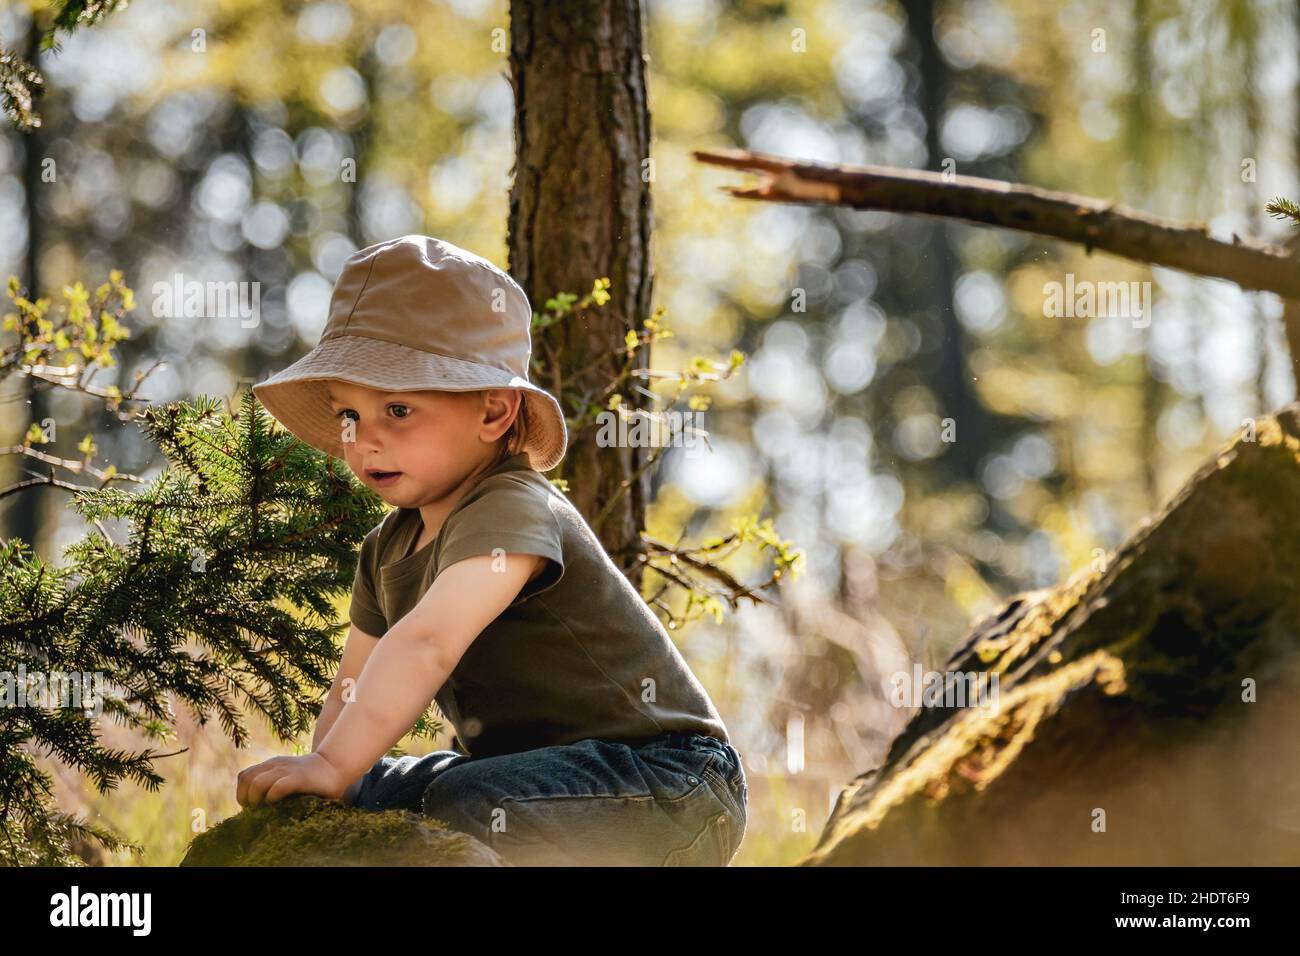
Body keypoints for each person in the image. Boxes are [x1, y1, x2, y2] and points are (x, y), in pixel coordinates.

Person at [236, 235, 747, 866]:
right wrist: (329, 775)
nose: (365, 441)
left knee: (467, 802)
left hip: (670, 782)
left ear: (494, 412)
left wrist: (334, 765)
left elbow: (428, 641)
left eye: (397, 409)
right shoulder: (385, 549)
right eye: (349, 415)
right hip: (534, 778)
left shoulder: (511, 505)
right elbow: (351, 685)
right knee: (380, 790)